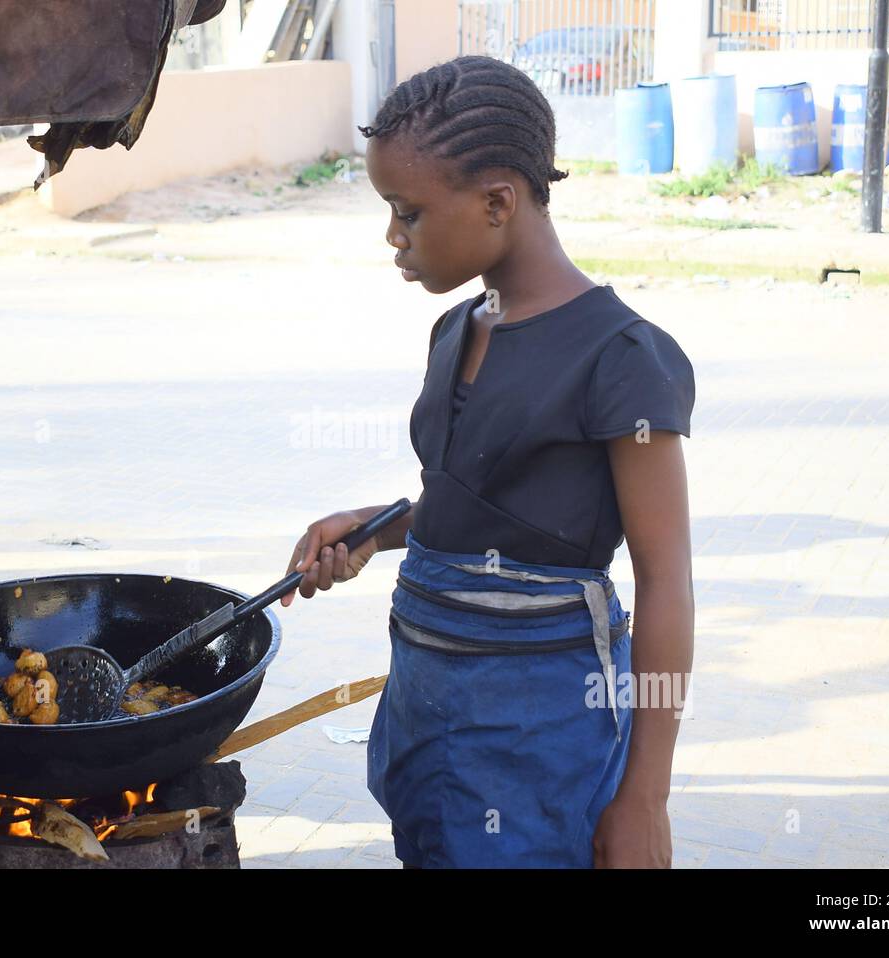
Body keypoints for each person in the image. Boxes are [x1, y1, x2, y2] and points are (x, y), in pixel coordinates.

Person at [280, 57, 696, 868]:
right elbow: (481, 504)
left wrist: (645, 797)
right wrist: (379, 529)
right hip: (425, 717)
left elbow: (667, 583)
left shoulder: (622, 360)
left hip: (538, 739)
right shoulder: (457, 330)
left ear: (498, 201)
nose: (393, 237)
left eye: (409, 212)